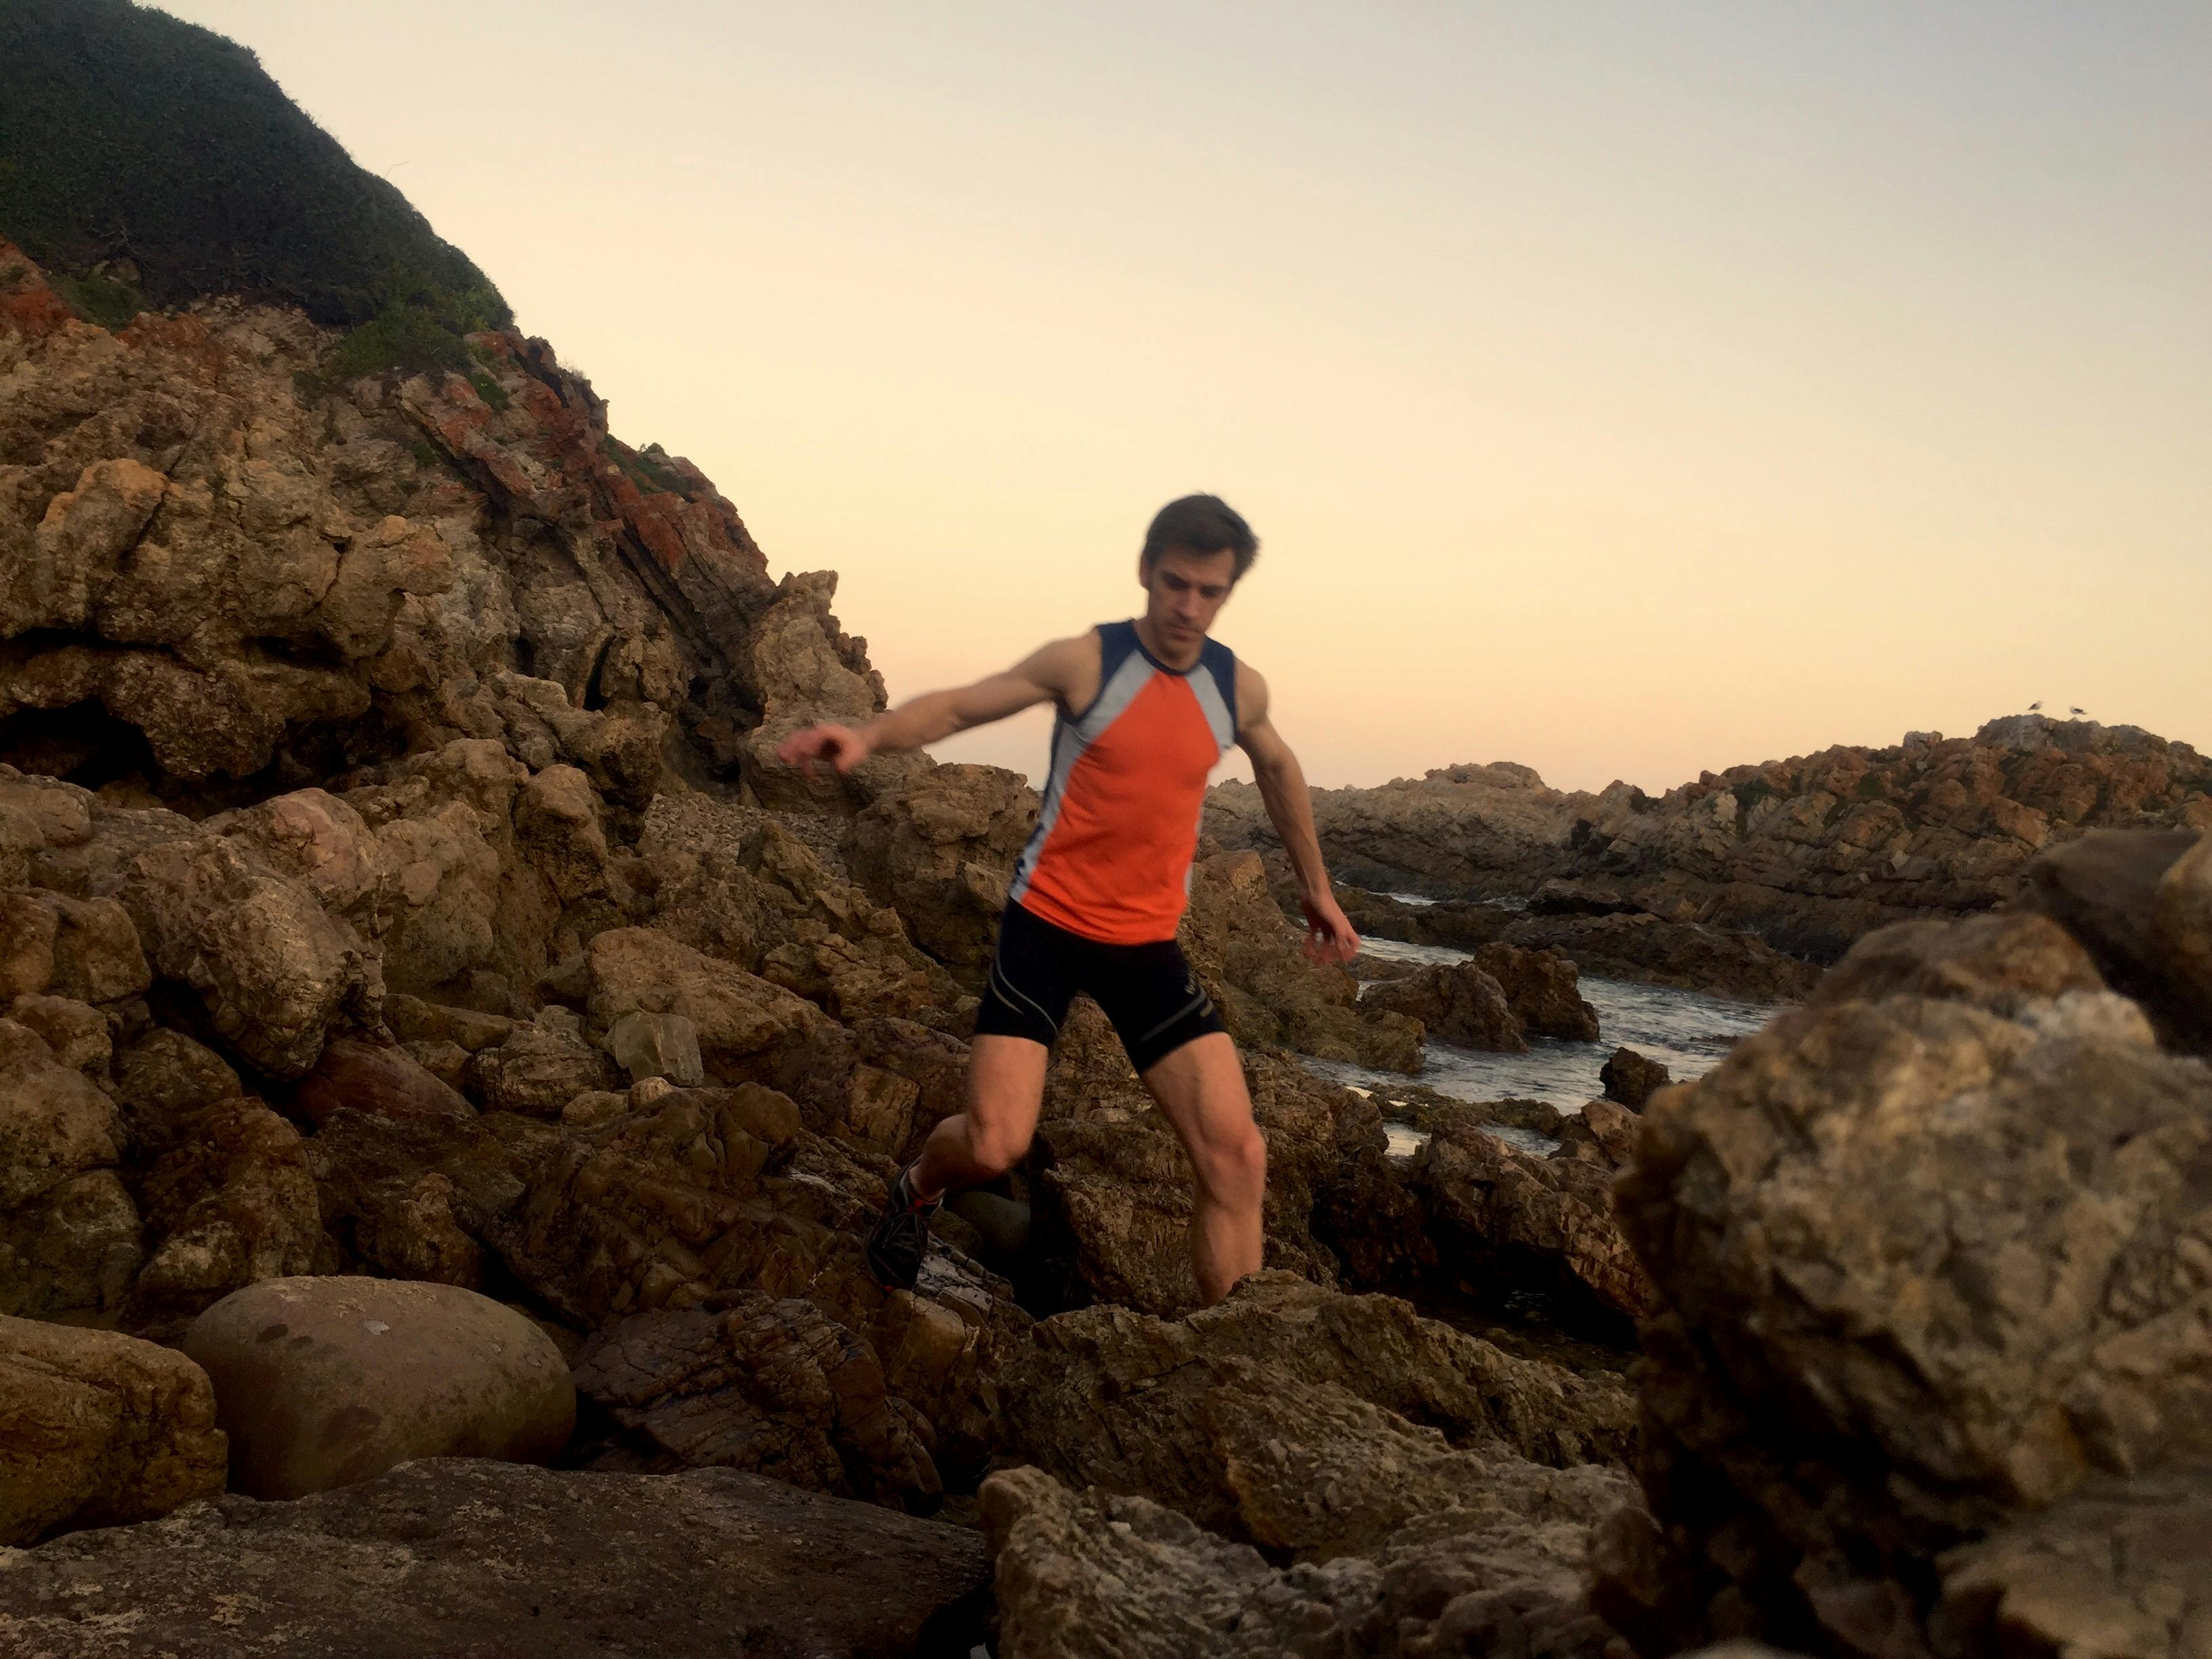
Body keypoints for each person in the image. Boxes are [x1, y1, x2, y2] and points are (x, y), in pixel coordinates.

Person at [776, 494, 1359, 1306]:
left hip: (1146, 946)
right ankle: (915, 1188)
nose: (1190, 607)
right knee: (992, 1146)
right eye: (1175, 584)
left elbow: (1279, 768)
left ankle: (1238, 1346)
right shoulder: (1088, 662)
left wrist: (1317, 891)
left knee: (1238, 1156)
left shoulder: (1236, 688)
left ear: (1228, 592)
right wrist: (868, 736)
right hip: (1045, 927)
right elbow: (964, 703)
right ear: (1146, 573)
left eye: (1210, 591)